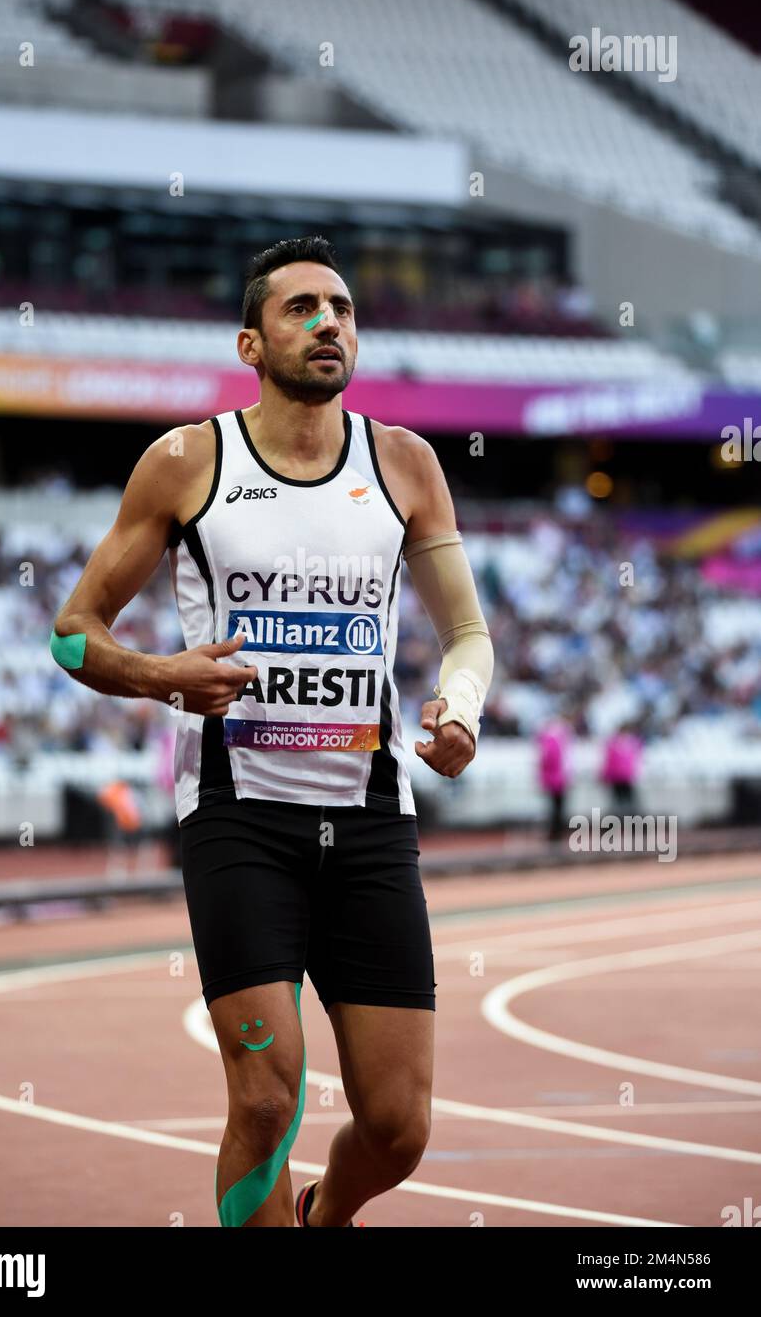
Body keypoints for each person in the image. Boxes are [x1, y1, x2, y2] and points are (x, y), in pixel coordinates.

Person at [51, 235, 494, 1227]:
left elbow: (467, 633)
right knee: (265, 1096)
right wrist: (163, 676)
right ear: (251, 341)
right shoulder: (184, 461)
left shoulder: (406, 464)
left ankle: (320, 1215)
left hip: (371, 815)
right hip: (238, 819)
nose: (328, 322)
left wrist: (460, 709)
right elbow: (71, 635)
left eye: (340, 307)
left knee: (398, 1127)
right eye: (301, 308)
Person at [538, 710, 573, 843]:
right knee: (558, 806)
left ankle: (555, 832)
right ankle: (557, 832)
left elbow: (547, 759)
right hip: (560, 776)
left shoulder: (551, 737)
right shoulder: (563, 736)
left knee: (555, 806)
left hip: (554, 777)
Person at [600, 722, 643, 819]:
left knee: (626, 801)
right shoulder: (620, 744)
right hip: (619, 777)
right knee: (621, 801)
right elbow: (609, 761)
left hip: (622, 777)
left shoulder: (621, 743)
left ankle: (629, 822)